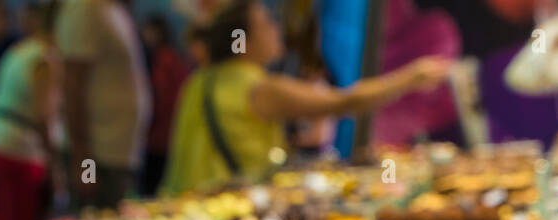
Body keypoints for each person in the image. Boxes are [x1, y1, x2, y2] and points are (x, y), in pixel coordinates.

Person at [163, 0, 452, 195]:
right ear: (245, 40)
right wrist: (412, 76)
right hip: (220, 206)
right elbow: (344, 102)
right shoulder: (260, 87)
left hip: (184, 201)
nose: (276, 31)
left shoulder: (201, 79)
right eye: (267, 24)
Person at [56, 0, 151, 209]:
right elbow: (72, 86)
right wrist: (83, 161)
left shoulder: (113, 9)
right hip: (96, 158)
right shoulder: (84, 8)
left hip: (117, 156)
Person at [0, 0, 63, 220]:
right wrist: (55, 166)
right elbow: (42, 115)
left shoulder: (21, 48)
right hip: (19, 152)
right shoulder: (45, 57)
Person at [139, 16, 190, 196]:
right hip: (169, 134)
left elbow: (159, 95)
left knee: (152, 190)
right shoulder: (175, 57)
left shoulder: (163, 58)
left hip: (158, 136)